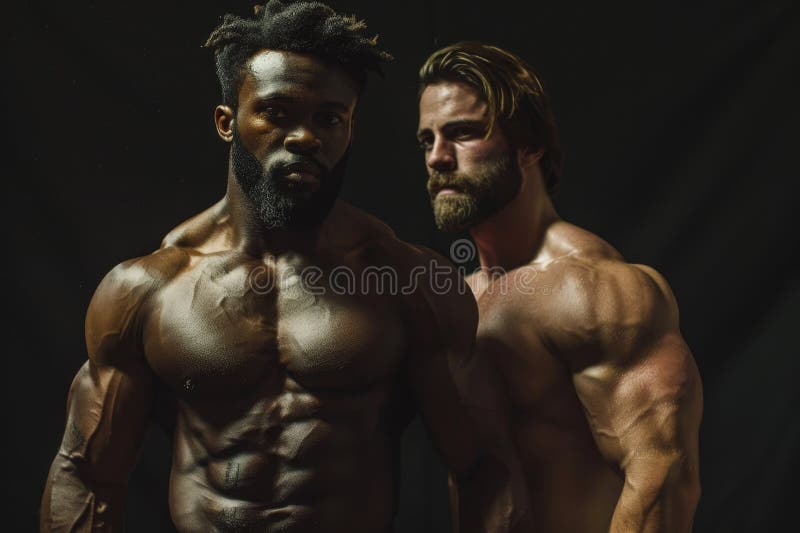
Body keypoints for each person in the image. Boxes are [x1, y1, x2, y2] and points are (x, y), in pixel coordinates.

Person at [40, 5, 532, 532]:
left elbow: (485, 471)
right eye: (276, 112)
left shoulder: (411, 282)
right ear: (227, 122)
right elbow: (87, 476)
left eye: (329, 118)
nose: (304, 137)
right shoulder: (147, 288)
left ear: (350, 130)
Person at [416, 41, 703, 533]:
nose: (438, 157)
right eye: (427, 140)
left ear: (529, 146)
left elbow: (664, 478)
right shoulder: (456, 299)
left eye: (462, 133)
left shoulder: (594, 289)